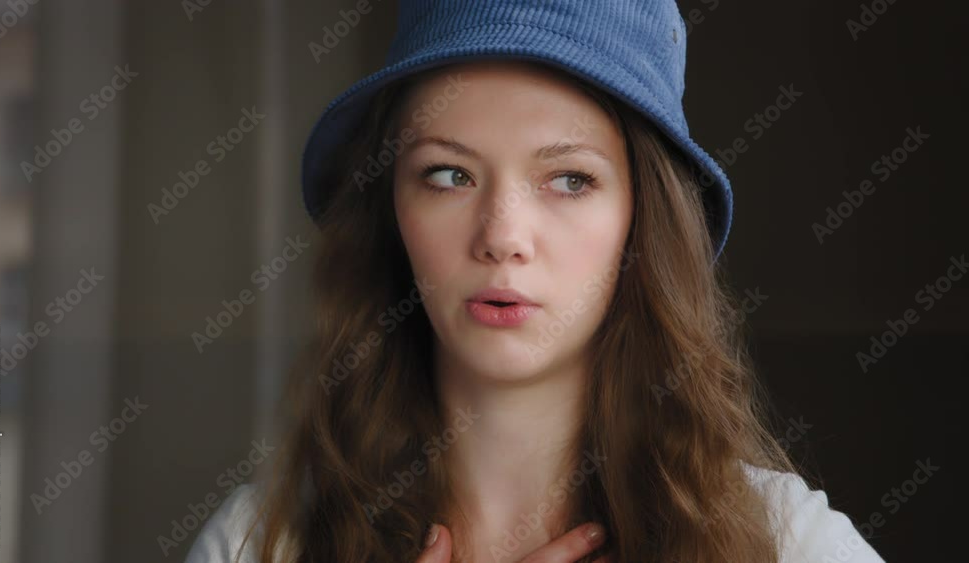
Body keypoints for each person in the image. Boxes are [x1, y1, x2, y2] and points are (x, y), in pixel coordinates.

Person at [185, 1, 886, 561]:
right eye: (449, 174)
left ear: (643, 221)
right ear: (391, 208)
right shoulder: (258, 544)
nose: (502, 236)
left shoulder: (787, 545)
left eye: (569, 179)